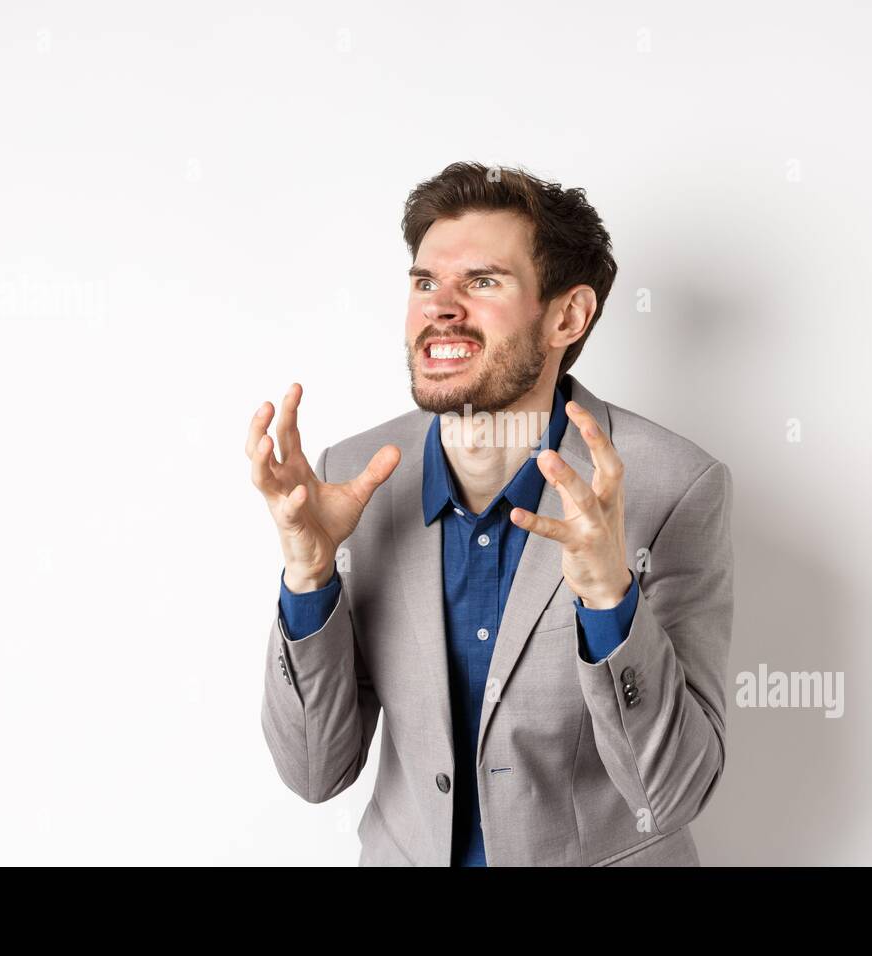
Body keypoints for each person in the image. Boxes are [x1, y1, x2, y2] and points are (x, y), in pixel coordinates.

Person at [247, 161, 734, 866]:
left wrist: (608, 599)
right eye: (424, 283)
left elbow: (673, 792)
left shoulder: (674, 486)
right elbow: (315, 772)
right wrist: (308, 575)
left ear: (567, 315)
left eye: (481, 282)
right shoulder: (351, 476)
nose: (439, 308)